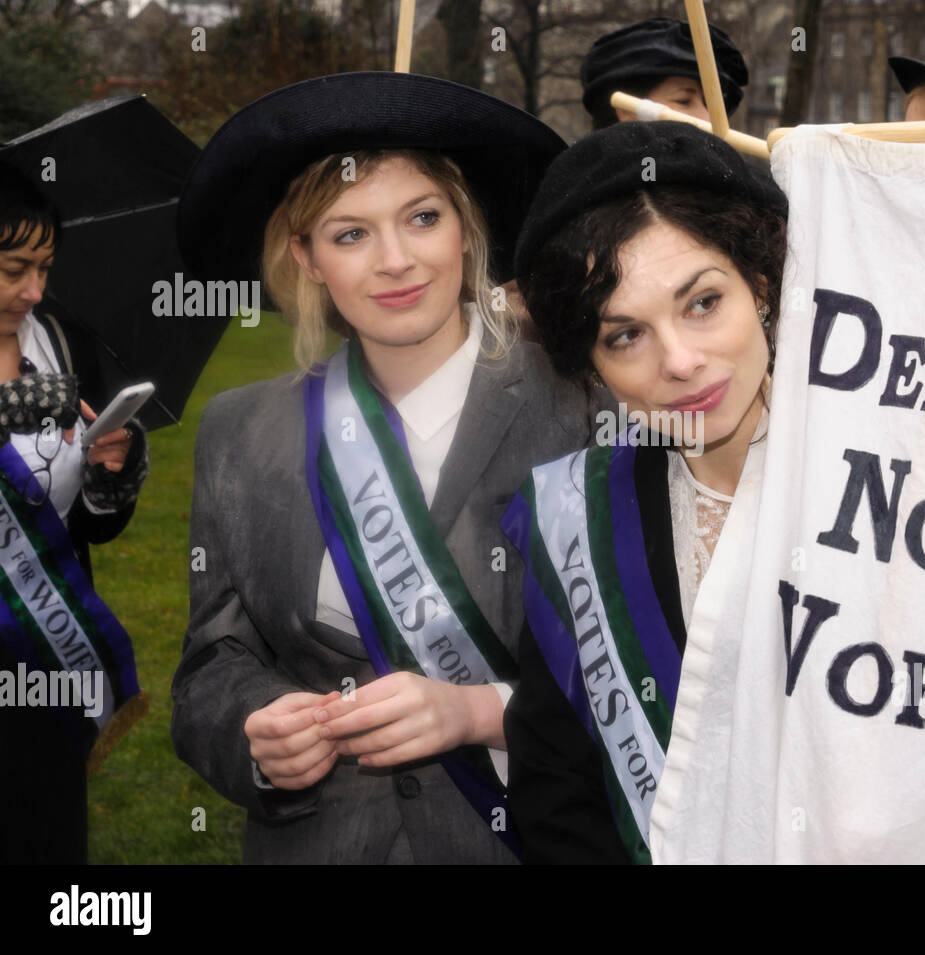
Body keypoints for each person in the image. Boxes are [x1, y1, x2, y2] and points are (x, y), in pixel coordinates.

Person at [170, 72, 596, 864]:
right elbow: (209, 669)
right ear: (306, 258)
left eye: (422, 218)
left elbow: (662, 671)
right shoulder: (239, 431)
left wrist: (485, 712)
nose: (395, 260)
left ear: (466, 229)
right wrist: (254, 734)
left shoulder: (587, 409)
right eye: (350, 233)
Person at [501, 122, 787, 862]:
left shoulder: (881, 478)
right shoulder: (579, 514)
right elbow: (554, 790)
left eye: (701, 302)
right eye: (625, 335)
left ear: (759, 284)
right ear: (591, 367)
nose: (681, 362)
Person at [0, 159, 148, 864]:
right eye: (13, 269)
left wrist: (110, 467)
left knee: (45, 827)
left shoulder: (60, 342)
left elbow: (90, 525)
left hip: (44, 638)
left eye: (46, 267)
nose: (34, 289)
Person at [580, 18, 748, 129]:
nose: (708, 118)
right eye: (683, 101)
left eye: (708, 105)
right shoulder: (647, 173)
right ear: (627, 111)